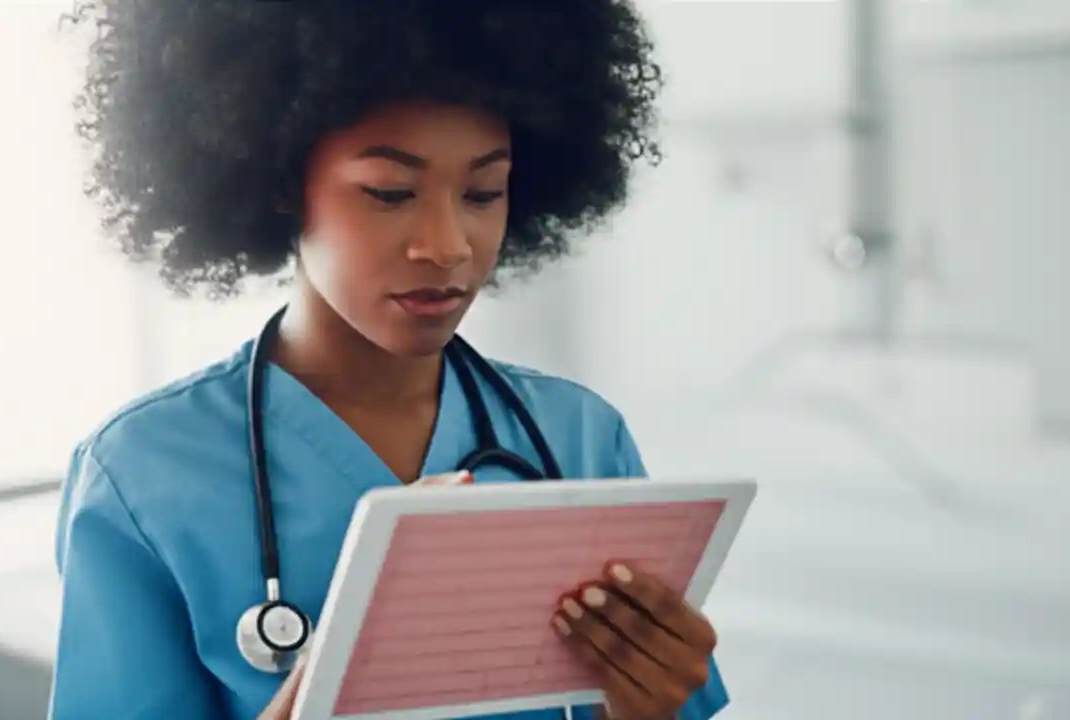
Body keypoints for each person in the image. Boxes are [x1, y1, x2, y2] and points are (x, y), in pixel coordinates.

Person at [52, 1, 730, 718]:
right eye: (390, 192)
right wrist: (331, 671)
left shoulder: (581, 439)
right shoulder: (141, 474)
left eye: (482, 193)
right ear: (283, 182)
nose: (446, 245)